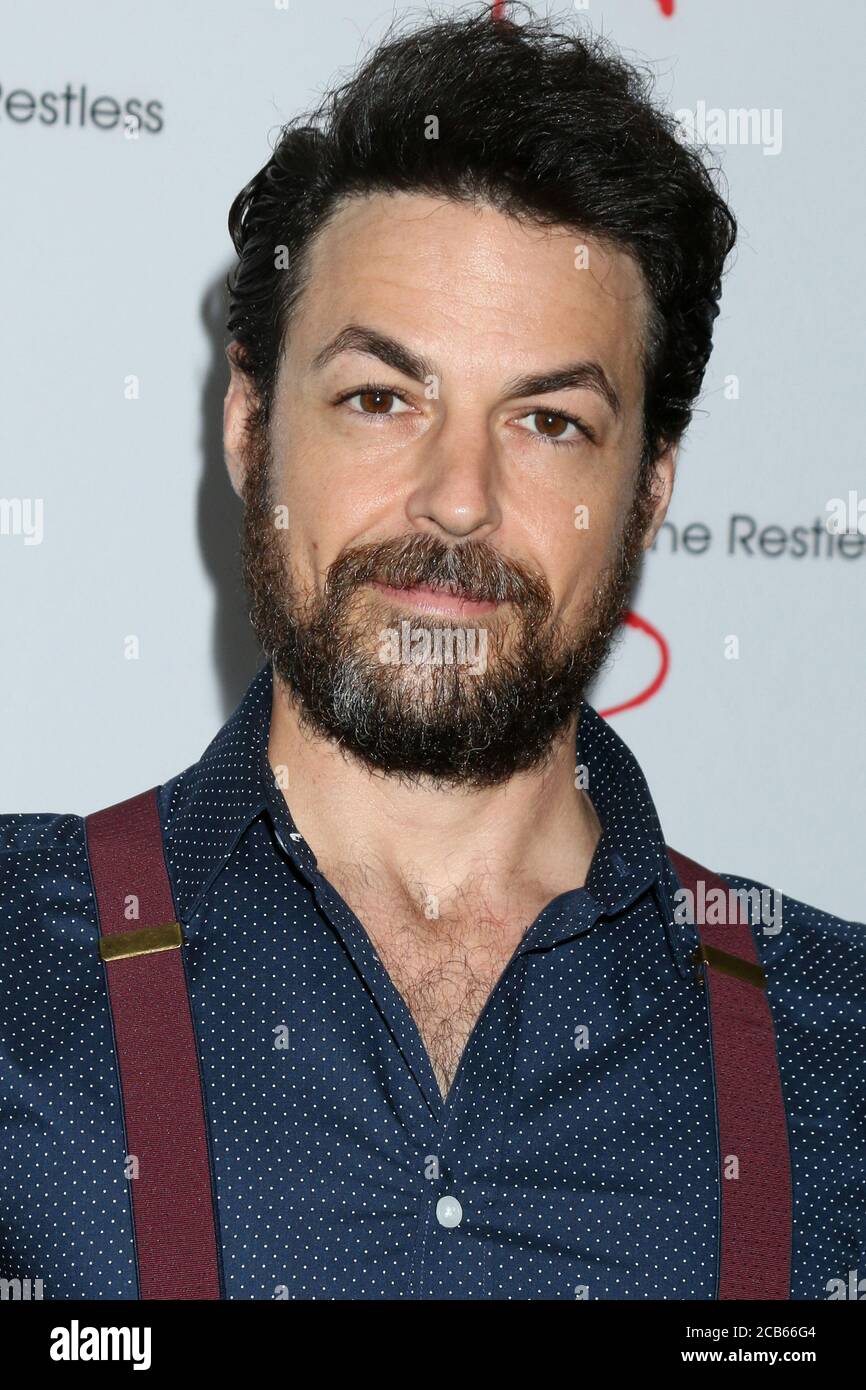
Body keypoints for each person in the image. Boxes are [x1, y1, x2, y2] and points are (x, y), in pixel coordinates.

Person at [1, 4, 863, 1302]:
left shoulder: (838, 1049)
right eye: (378, 399)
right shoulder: (20, 961)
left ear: (647, 490)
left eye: (549, 421)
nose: (456, 496)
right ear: (249, 427)